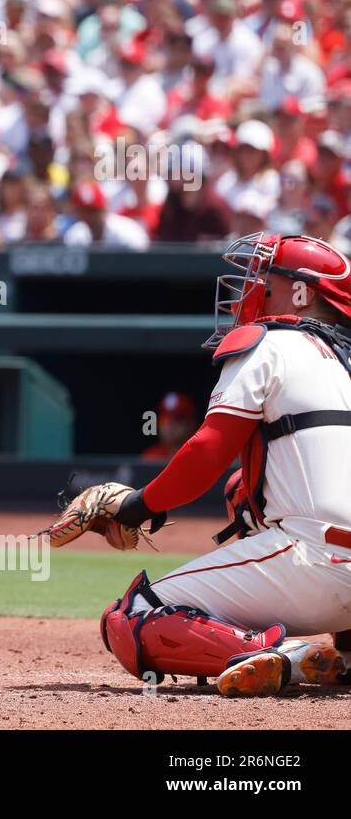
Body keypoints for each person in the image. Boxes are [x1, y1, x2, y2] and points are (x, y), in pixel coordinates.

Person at [46, 233, 351, 697]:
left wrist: (138, 505)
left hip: (316, 563)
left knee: (129, 616)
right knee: (242, 491)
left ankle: (281, 658)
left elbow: (207, 449)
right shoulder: (345, 362)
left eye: (263, 277)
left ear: (301, 292)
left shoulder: (267, 343)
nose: (248, 287)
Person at [140, 391, 198, 460]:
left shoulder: (200, 455)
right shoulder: (151, 457)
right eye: (164, 419)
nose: (169, 425)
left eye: (177, 418)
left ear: (191, 423)